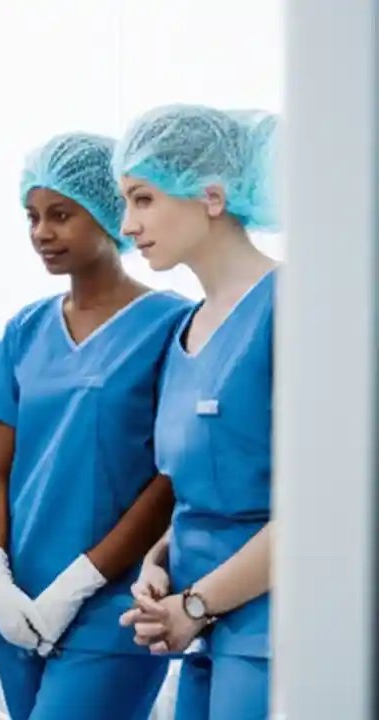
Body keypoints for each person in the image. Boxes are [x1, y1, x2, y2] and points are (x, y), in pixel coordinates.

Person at [0, 133, 193, 719]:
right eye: (33, 217)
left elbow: (171, 479)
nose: (41, 232)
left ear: (108, 213)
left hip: (116, 603)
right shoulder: (25, 327)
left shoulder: (171, 324)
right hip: (19, 599)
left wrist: (79, 581)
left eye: (61, 215)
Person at [114, 104, 280, 720]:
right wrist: (159, 565)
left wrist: (194, 606)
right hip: (203, 626)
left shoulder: (291, 305)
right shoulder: (186, 328)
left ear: (212, 196)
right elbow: (203, 491)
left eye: (143, 198)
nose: (127, 223)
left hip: (273, 630)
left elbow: (319, 511)